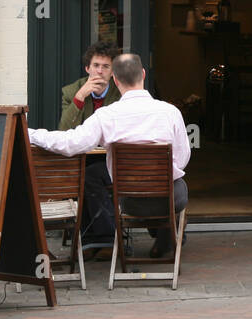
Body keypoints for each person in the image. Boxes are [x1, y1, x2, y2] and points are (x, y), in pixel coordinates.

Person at [31, 53, 190, 260]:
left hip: (129, 201)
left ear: (115, 79)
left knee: (95, 175)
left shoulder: (107, 115)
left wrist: (31, 133)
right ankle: (167, 231)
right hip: (171, 199)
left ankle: (117, 240)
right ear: (143, 74)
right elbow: (183, 158)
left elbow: (71, 143)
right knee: (178, 181)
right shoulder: (170, 112)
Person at [56, 41, 121, 245]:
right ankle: (98, 239)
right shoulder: (71, 92)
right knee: (84, 175)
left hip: (112, 159)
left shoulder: (121, 93)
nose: (99, 71)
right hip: (81, 158)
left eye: (105, 67)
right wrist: (80, 97)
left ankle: (97, 239)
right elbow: (63, 131)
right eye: (96, 66)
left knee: (90, 178)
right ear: (87, 68)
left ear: (113, 71)